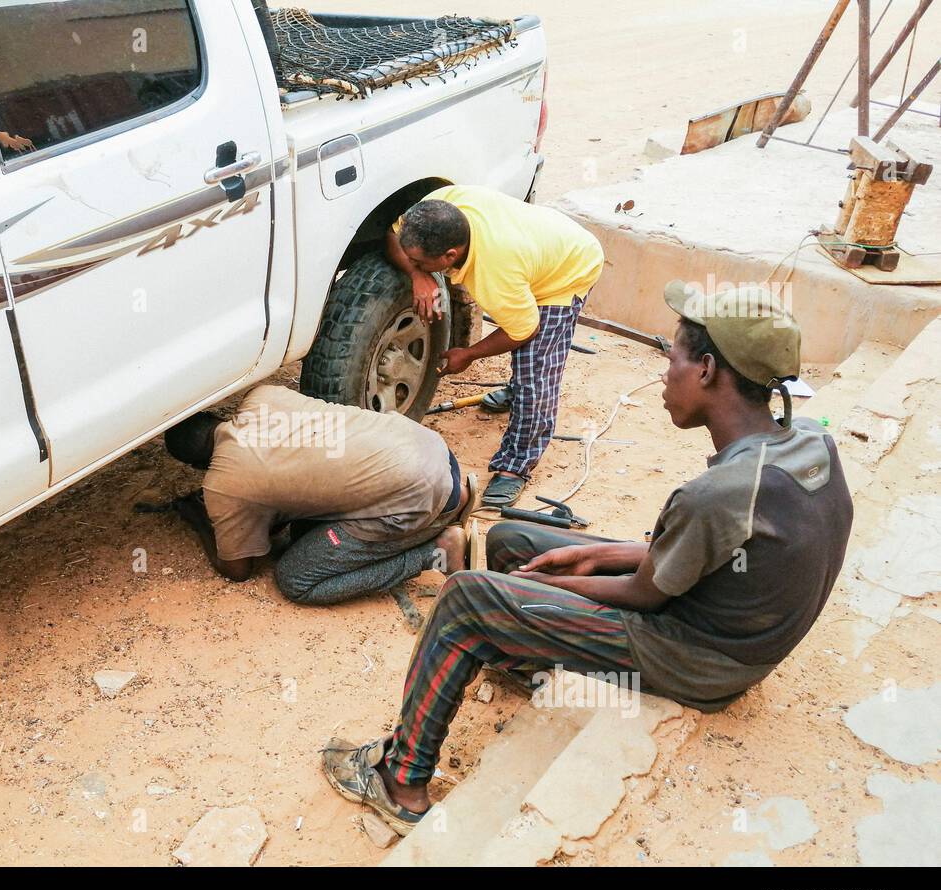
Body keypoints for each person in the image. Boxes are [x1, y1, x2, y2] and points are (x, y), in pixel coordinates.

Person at [322, 280, 854, 835]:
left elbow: (645, 592)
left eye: (672, 358)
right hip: (735, 629)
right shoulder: (811, 441)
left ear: (707, 370)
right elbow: (704, 551)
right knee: (510, 541)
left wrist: (558, 584)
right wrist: (590, 553)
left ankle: (400, 780)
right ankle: (522, 653)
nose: (664, 375)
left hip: (701, 659)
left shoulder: (717, 495)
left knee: (465, 599)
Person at [385, 185, 604, 508]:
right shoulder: (437, 209)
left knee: (536, 372)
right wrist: (418, 275)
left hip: (570, 267)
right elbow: (391, 237)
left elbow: (523, 331)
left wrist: (469, 354)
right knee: (524, 347)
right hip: (541, 241)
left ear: (449, 257)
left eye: (418, 262)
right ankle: (514, 393)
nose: (411, 262)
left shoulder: (496, 272)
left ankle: (515, 466)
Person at [163, 384, 475, 606]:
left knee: (295, 579)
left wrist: (198, 520)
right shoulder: (263, 395)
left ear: (196, 465)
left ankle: (436, 551)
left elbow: (239, 570)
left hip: (419, 493)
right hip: (432, 448)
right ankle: (453, 498)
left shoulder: (223, 484)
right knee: (305, 531)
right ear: (216, 417)